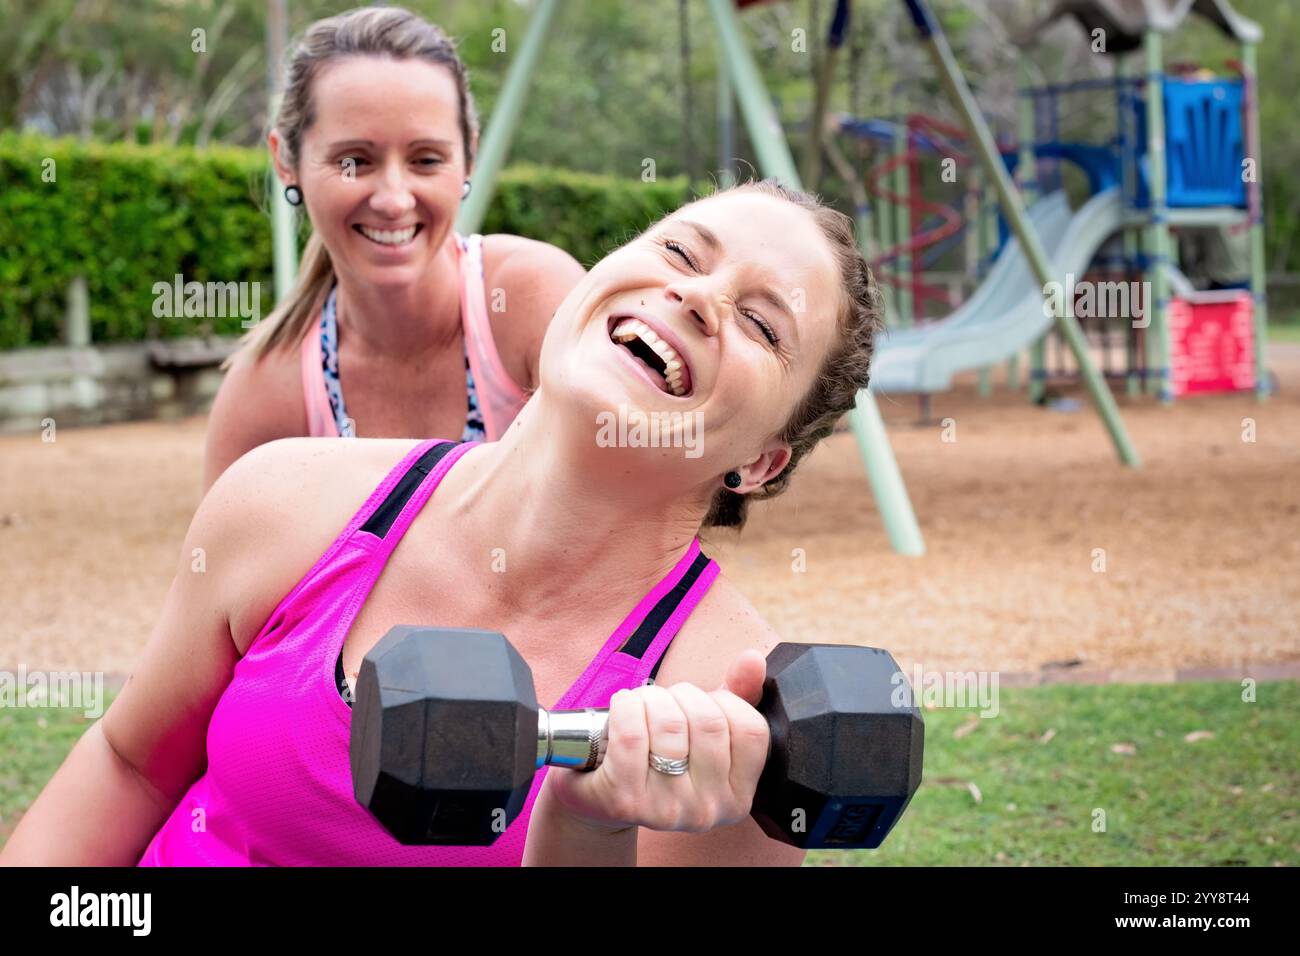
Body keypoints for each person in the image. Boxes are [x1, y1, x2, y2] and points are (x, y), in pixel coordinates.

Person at [1, 179, 882, 867]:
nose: (695, 297)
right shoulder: (281, 501)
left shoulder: (733, 724)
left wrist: (590, 823)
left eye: (762, 324)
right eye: (680, 250)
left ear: (761, 461)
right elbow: (132, 764)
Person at [204, 6, 585, 491]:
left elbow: (630, 524)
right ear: (286, 161)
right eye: (354, 161)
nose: (393, 199)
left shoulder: (534, 301)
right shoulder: (268, 391)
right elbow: (220, 566)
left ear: (469, 155)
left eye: (426, 159)